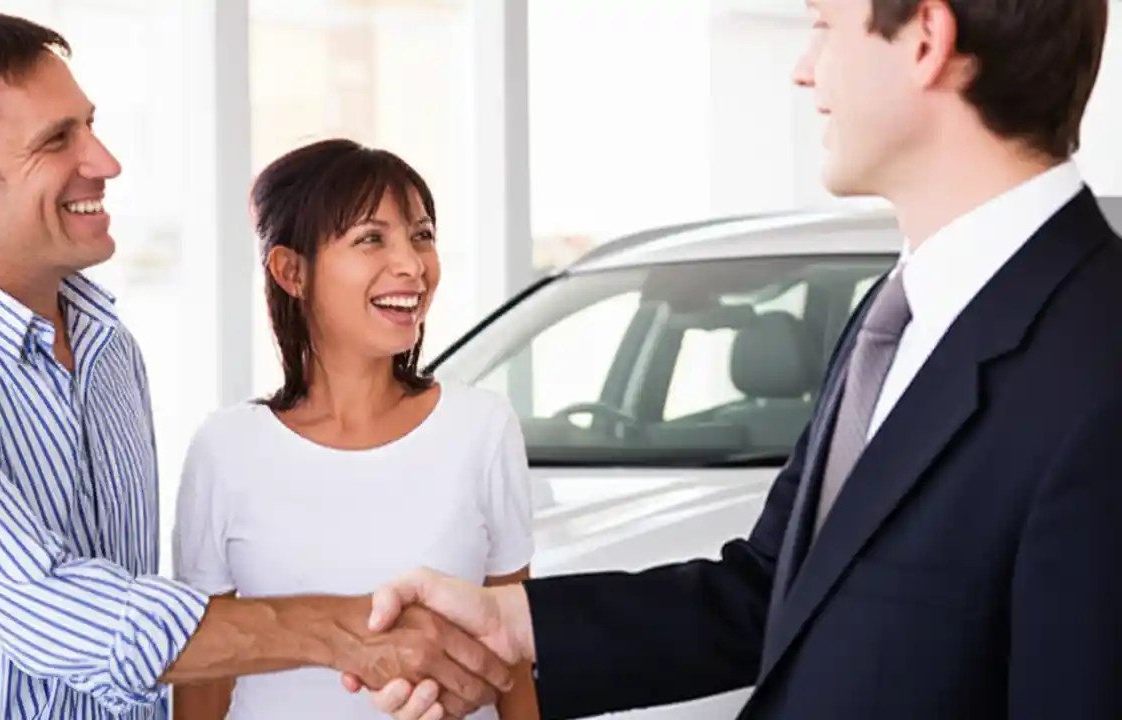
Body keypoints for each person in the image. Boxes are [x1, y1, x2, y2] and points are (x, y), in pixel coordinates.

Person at [351, 0, 1122, 718]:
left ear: (927, 38)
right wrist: (510, 627)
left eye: (824, 25)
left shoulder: (1098, 358)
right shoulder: (899, 313)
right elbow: (774, 590)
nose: (803, 68)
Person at [0, 14, 510, 719]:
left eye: (89, 125)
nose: (103, 161)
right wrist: (350, 633)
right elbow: (55, 609)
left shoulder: (108, 350)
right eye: (56, 140)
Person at [170, 138, 539, 720]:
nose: (412, 266)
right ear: (291, 271)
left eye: (421, 235)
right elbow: (204, 674)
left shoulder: (482, 427)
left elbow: (514, 658)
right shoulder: (226, 449)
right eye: (372, 238)